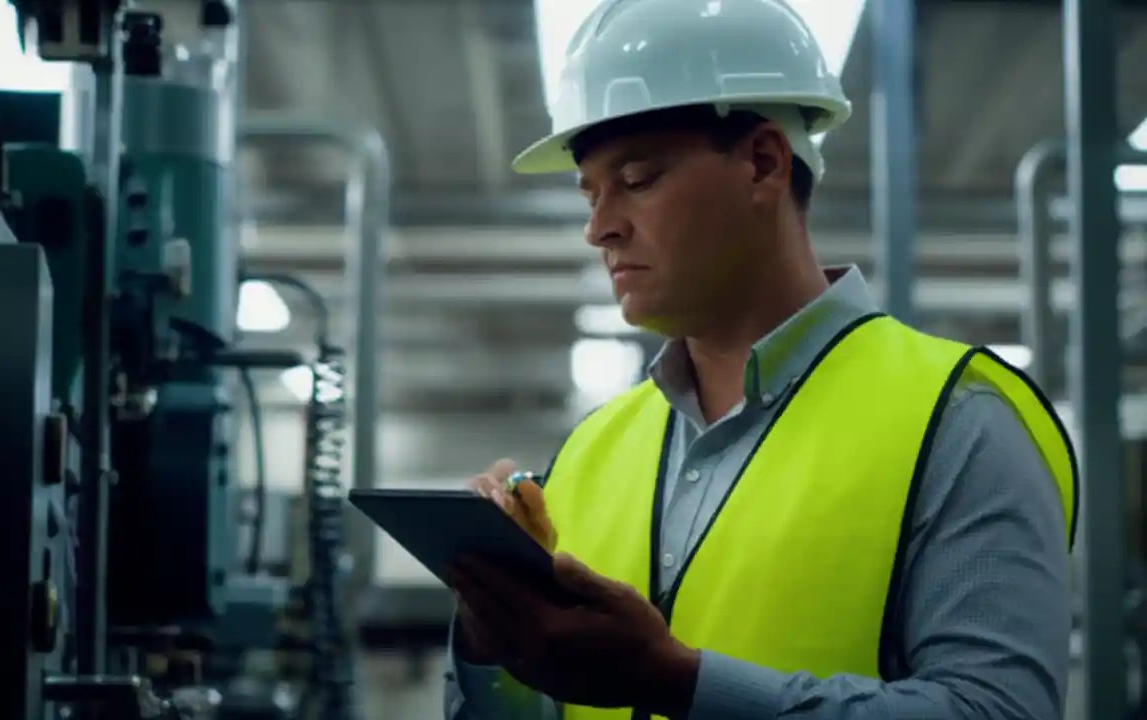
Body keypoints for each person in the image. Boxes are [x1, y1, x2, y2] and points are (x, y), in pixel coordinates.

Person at [442, 0, 1078, 719]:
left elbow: (999, 711)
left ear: (763, 163)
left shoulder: (958, 421)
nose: (599, 228)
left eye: (638, 179)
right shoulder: (592, 450)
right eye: (590, 194)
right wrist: (489, 635)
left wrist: (680, 684)